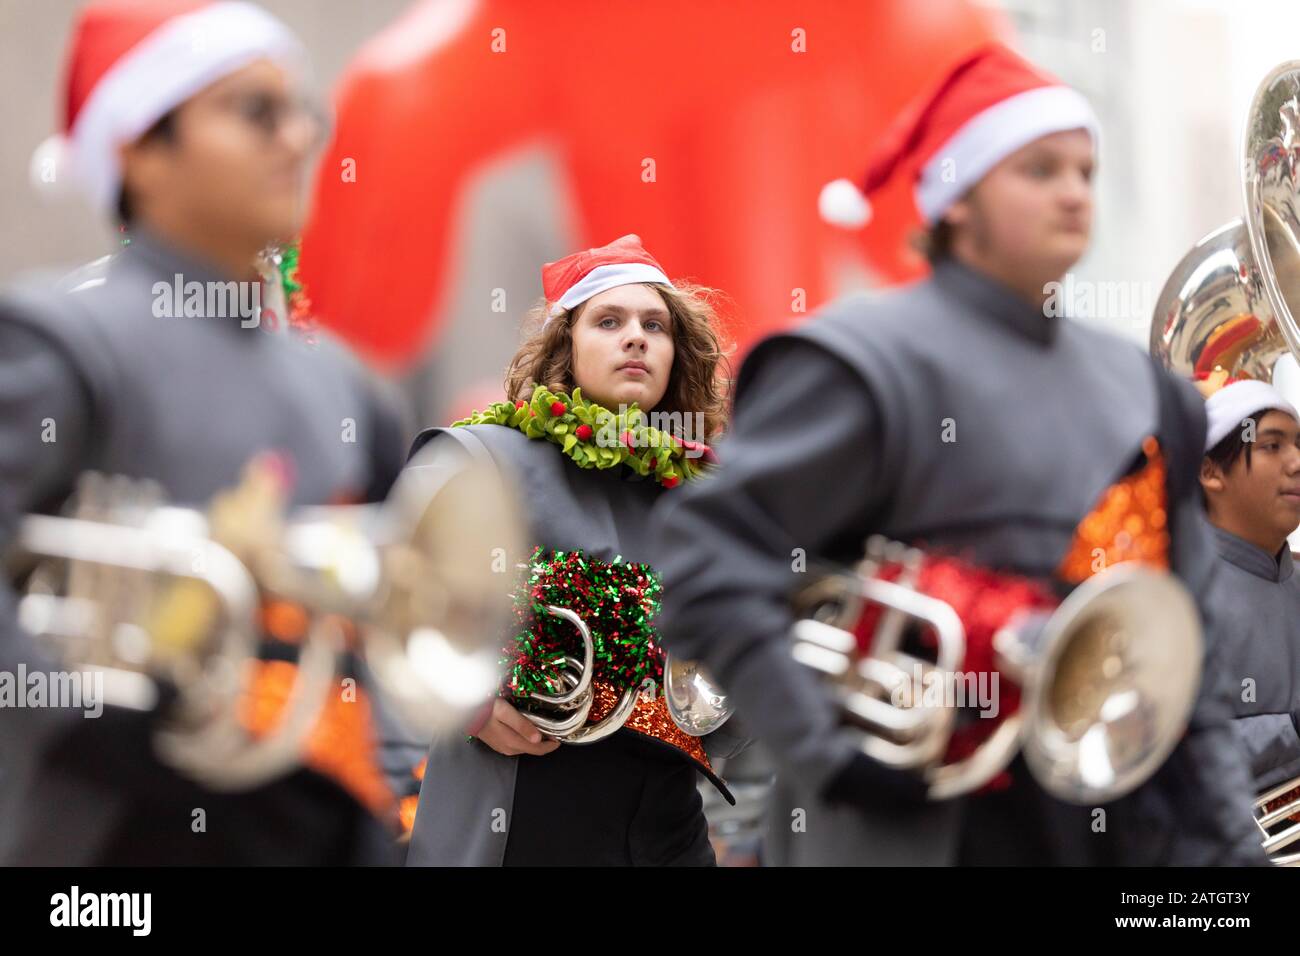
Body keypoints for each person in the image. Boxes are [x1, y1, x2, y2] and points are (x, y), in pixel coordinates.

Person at [651, 42, 1266, 865]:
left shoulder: (1145, 387)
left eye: (1086, 170)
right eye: (1040, 169)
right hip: (906, 833)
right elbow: (705, 560)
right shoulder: (856, 361)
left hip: (1110, 834)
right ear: (958, 201)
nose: (1076, 193)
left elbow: (1192, 658)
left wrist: (1230, 856)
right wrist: (830, 758)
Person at [0, 0, 411, 864]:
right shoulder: (58, 337)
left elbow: (375, 634)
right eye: (255, 111)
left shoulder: (341, 382)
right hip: (111, 844)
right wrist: (101, 726)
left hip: (318, 828)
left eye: (305, 111)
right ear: (138, 150)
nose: (298, 139)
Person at [404, 234, 746, 866]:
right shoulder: (486, 458)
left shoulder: (708, 499)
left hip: (669, 831)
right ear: (566, 347)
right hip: (521, 817)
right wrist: (472, 705)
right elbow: (392, 598)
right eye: (608, 321)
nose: (636, 337)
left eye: (655, 325)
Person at [1198, 380, 1300, 793]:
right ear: (1210, 472)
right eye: (1272, 446)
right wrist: (1291, 729)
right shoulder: (1176, 598)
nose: (1296, 461)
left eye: (1298, 444)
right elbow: (1171, 759)